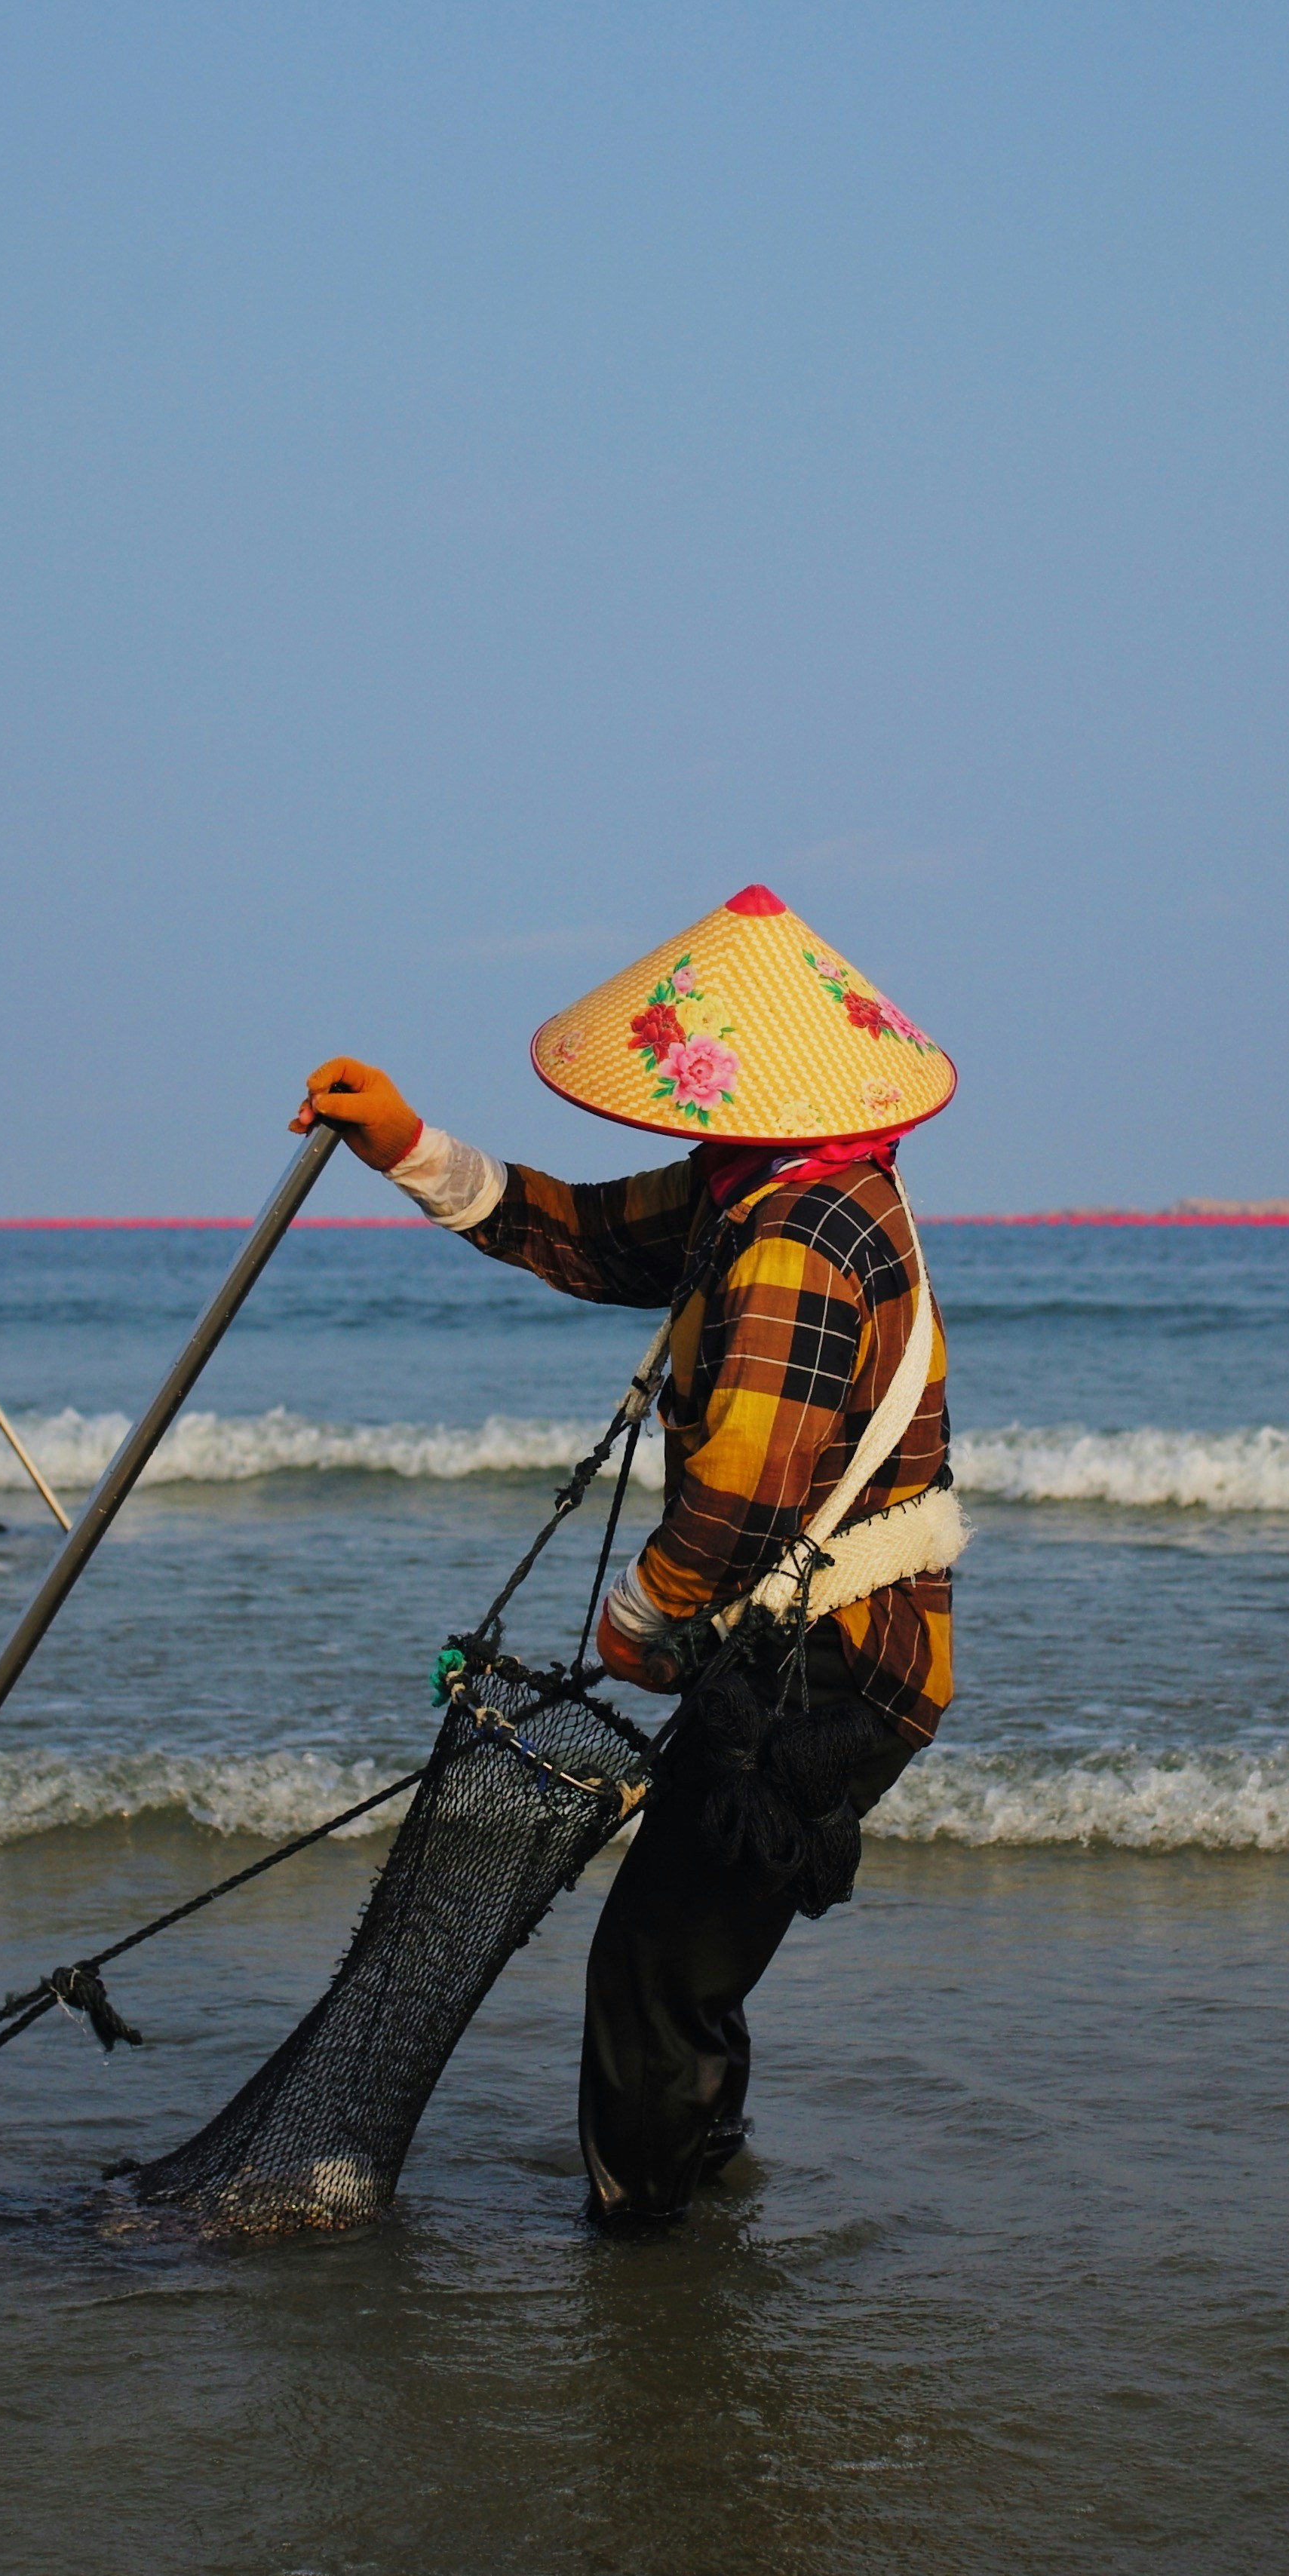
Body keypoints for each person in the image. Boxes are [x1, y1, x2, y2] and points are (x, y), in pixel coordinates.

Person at [293, 884, 960, 2226]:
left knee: (655, 1976)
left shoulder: (794, 1242)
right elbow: (588, 1234)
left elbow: (737, 1500)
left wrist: (638, 1621)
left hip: (826, 1681)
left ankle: (661, 2262)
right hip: (821, 1655)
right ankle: (701, 2201)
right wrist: (412, 1147)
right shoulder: (778, 1181)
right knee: (681, 1963)